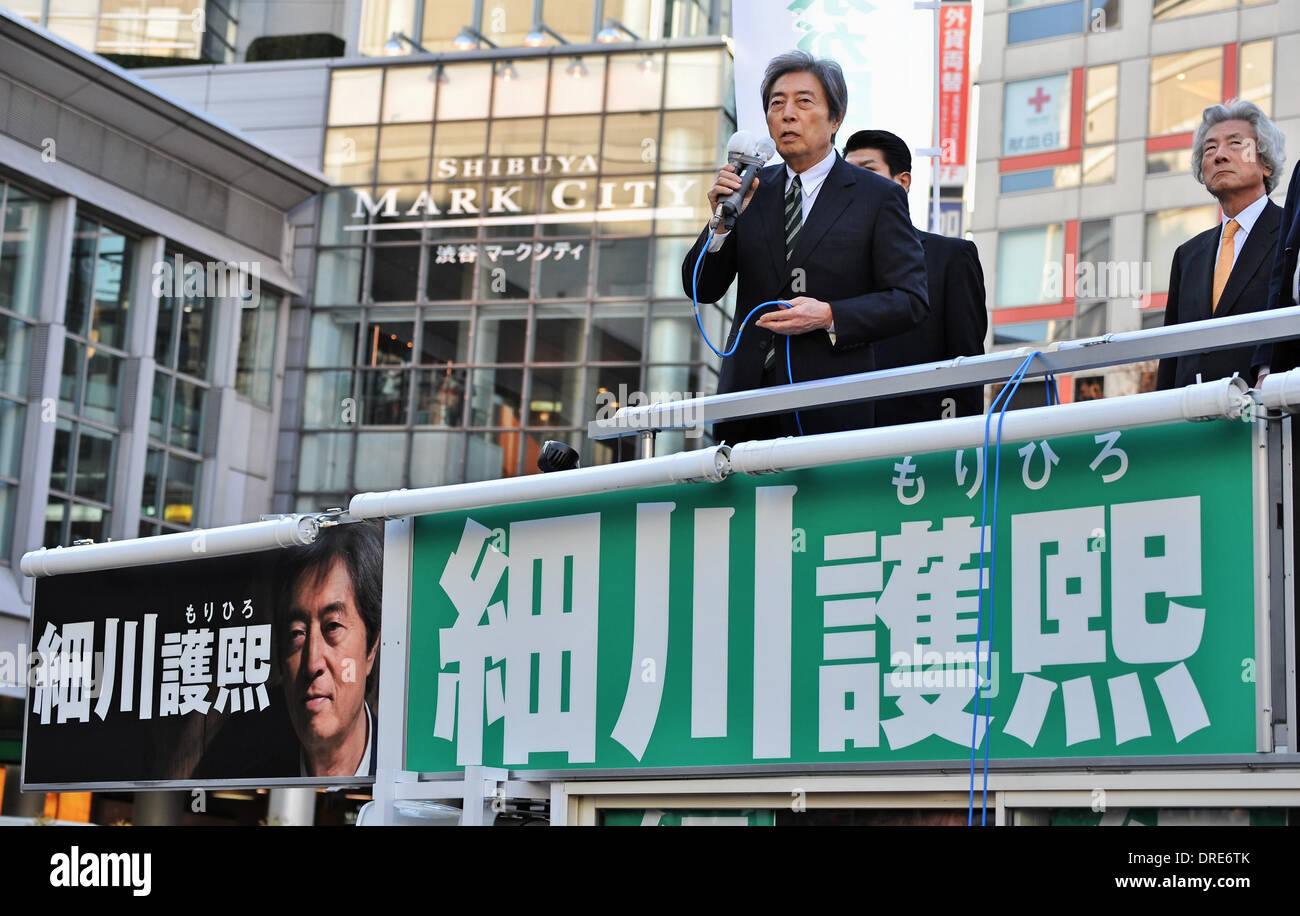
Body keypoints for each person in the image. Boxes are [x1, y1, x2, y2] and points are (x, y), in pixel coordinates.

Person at [681, 50, 929, 443]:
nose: (787, 113)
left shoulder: (876, 197)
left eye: (804, 101)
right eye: (776, 103)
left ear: (835, 119)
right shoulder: (751, 190)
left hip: (831, 404)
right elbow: (702, 288)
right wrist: (720, 223)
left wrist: (829, 314)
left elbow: (910, 300)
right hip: (746, 403)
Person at [842, 129, 987, 424]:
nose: (855, 184)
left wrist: (963, 447)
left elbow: (966, 362)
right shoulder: (827, 264)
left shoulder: (950, 257)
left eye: (869, 171)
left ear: (902, 182)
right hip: (840, 441)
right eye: (847, 175)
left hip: (922, 441)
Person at [1155, 99, 1284, 390]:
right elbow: (1172, 355)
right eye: (1210, 148)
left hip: (1269, 420)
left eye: (1235, 144)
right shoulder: (1188, 255)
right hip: (1195, 422)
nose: (1219, 156)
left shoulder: (1292, 235)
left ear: (1265, 163)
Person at [273, 521, 383, 778]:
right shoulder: (247, 771)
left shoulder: (411, 778)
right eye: (297, 633)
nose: (312, 664)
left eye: (332, 626)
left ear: (372, 646)